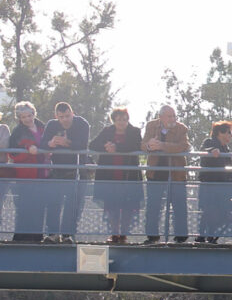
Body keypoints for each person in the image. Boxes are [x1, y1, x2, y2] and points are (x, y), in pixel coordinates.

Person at [88, 107, 143, 244]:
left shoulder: (135, 131)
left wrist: (117, 148)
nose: (122, 122)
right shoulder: (107, 131)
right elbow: (93, 145)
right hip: (109, 176)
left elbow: (136, 146)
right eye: (118, 120)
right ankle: (114, 234)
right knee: (111, 205)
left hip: (128, 176)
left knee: (127, 206)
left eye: (124, 119)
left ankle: (123, 234)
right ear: (113, 120)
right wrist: (106, 147)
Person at [39, 101, 89, 243]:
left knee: (73, 205)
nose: (65, 120)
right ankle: (53, 234)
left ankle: (68, 235)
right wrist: (51, 144)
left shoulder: (82, 124)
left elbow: (82, 145)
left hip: (78, 171)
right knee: (53, 202)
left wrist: (65, 142)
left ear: (72, 113)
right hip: (57, 170)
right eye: (61, 117)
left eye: (68, 116)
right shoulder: (51, 125)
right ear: (57, 116)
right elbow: (43, 144)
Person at [143, 105, 192, 244]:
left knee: (179, 205)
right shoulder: (151, 126)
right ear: (161, 117)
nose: (172, 119)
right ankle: (152, 236)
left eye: (174, 116)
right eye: (169, 116)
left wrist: (162, 146)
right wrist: (149, 145)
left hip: (176, 174)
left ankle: (181, 236)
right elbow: (142, 144)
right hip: (155, 172)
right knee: (153, 205)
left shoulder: (181, 128)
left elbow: (183, 146)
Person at [7, 102, 48, 243]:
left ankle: (37, 237)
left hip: (43, 173)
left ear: (34, 113)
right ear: (19, 118)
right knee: (24, 207)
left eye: (29, 115)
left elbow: (47, 144)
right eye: (23, 117)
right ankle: (21, 238)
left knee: (40, 206)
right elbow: (12, 153)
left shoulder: (44, 127)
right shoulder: (18, 131)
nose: (27, 119)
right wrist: (27, 148)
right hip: (26, 175)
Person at [197, 121, 232, 243]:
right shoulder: (210, 141)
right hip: (211, 185)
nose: (231, 135)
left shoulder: (226, 148)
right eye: (228, 132)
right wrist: (212, 150)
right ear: (220, 132)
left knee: (222, 211)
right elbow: (204, 149)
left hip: (223, 186)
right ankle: (202, 235)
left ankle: (212, 235)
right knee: (209, 210)